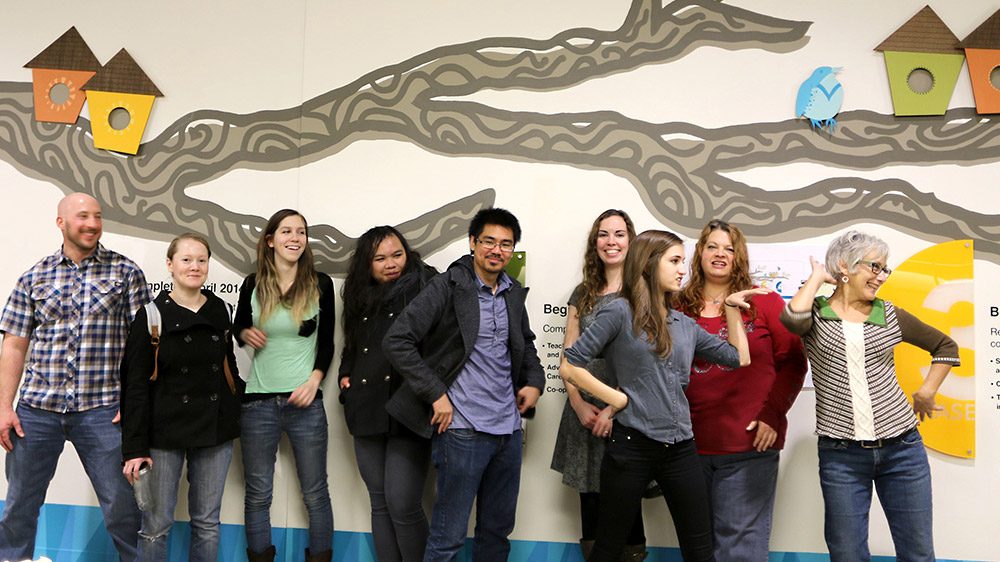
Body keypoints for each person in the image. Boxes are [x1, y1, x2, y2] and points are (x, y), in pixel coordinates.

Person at [560, 229, 765, 562]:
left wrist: (730, 308)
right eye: (674, 261)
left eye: (682, 261)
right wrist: (618, 399)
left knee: (700, 552)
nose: (683, 269)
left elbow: (738, 357)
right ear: (648, 263)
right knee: (609, 549)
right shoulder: (619, 313)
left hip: (680, 448)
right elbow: (570, 366)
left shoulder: (683, 324)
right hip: (631, 446)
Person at [780, 231, 959, 562]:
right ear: (845, 266)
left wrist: (927, 390)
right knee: (847, 554)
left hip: (902, 450)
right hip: (841, 455)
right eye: (875, 267)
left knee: (917, 552)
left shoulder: (888, 314)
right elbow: (791, 319)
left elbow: (946, 346)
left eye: (884, 269)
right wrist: (819, 275)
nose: (881, 277)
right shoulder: (815, 315)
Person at [383, 207, 545, 562]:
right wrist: (436, 394)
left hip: (508, 432)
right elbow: (398, 340)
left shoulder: (513, 292)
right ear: (472, 242)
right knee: (447, 538)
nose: (496, 250)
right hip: (462, 432)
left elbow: (526, 345)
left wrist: (534, 382)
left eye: (505, 244)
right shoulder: (448, 285)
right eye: (488, 241)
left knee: (496, 536)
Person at [0, 193, 150, 561]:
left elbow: (146, 348)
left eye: (98, 216)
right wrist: (5, 406)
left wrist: (135, 407)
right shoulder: (34, 277)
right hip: (36, 411)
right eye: (83, 216)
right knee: (20, 506)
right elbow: (14, 344)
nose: (93, 224)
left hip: (102, 410)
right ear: (61, 222)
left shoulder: (126, 273)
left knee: (121, 508)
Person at [675, 220, 807, 562]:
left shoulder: (764, 302)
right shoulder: (677, 307)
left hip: (749, 445)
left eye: (729, 248)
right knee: (699, 549)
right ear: (699, 253)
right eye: (713, 246)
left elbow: (794, 363)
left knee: (740, 550)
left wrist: (772, 415)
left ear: (740, 257)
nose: (720, 254)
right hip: (687, 447)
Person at [120, 233, 243, 562]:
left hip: (215, 429)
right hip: (163, 431)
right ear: (170, 265)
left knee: (207, 524)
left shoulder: (221, 309)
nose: (195, 266)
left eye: (201, 260)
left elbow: (227, 366)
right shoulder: (151, 315)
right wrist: (134, 448)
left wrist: (238, 408)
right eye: (186, 260)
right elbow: (135, 385)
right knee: (156, 525)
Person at [235, 209, 335, 562]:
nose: (295, 238)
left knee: (315, 493)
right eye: (287, 231)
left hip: (306, 403)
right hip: (257, 404)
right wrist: (246, 332)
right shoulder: (252, 283)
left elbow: (327, 344)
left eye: (302, 232)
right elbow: (238, 328)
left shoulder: (321, 283)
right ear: (270, 240)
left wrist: (315, 380)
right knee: (258, 494)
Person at [550, 210, 650, 561]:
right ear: (595, 243)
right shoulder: (584, 293)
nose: (612, 242)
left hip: (628, 411)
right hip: (583, 413)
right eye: (604, 235)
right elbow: (567, 358)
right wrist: (579, 405)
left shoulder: (645, 292)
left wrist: (613, 408)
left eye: (619, 234)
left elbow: (649, 362)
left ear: (631, 240)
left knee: (626, 500)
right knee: (590, 502)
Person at [339, 226, 437, 562]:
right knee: (379, 502)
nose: (390, 263)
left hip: (409, 409)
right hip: (365, 407)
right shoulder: (357, 296)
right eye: (380, 258)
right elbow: (350, 347)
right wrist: (344, 377)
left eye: (397, 255)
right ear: (367, 264)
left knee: (403, 504)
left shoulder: (427, 288)